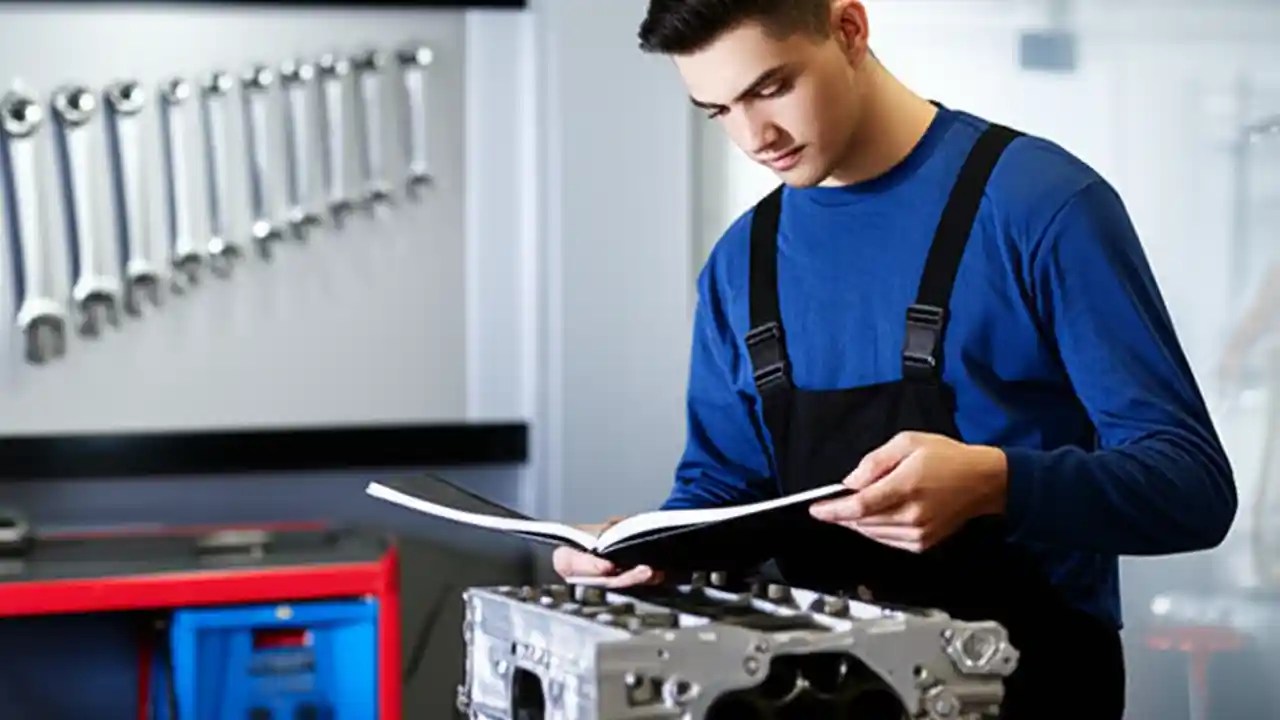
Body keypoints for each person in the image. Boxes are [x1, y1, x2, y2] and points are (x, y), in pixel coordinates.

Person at [553, 1, 1237, 717]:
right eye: (719, 111)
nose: (755, 137)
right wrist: (649, 547)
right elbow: (723, 485)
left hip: (1027, 683)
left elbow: (1192, 488)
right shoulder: (739, 263)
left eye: (771, 88)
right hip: (817, 693)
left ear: (849, 29)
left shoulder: (1042, 204)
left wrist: (996, 483)